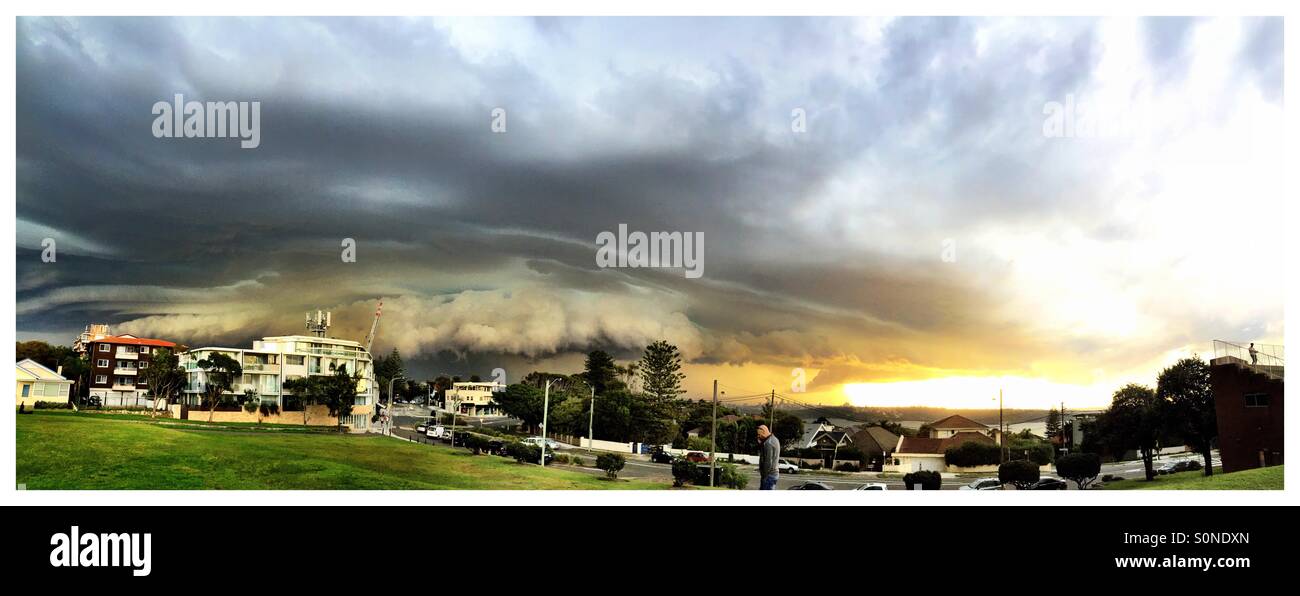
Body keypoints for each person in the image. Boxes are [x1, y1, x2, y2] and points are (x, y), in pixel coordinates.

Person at [757, 424, 781, 490]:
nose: (758, 436)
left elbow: (768, 462)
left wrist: (764, 476)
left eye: (759, 435)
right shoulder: (774, 439)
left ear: (764, 432)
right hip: (773, 474)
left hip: (769, 475)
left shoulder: (768, 443)